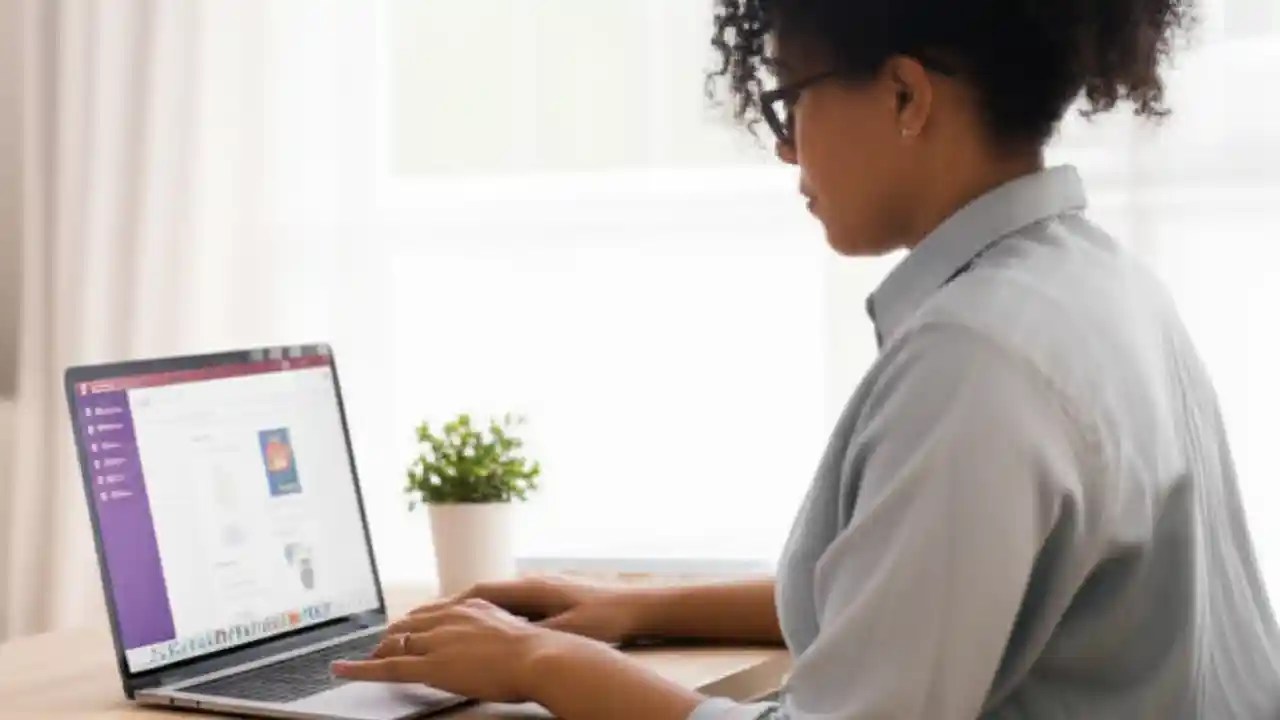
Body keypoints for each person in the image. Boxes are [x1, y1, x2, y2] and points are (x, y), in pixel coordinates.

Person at [333, 0, 1280, 717]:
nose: (787, 150)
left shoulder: (976, 362)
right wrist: (631, 609)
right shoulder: (1094, 287)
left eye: (791, 101)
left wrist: (540, 666)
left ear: (906, 95)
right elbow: (916, 601)